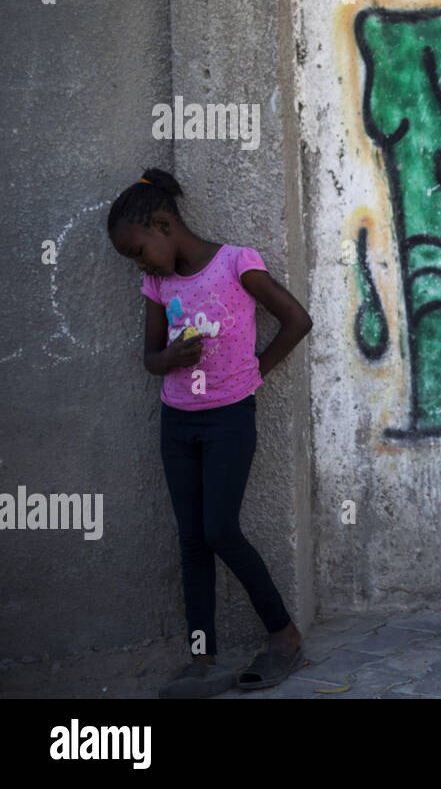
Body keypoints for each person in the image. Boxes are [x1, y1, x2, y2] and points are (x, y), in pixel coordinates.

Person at [107, 168, 312, 697]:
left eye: (138, 251)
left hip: (228, 420)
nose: (139, 264)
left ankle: (284, 635)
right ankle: (203, 657)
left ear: (162, 224)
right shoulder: (157, 284)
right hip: (178, 422)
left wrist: (253, 374)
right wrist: (169, 358)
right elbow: (151, 358)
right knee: (191, 540)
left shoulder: (236, 263)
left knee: (220, 530)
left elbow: (296, 320)